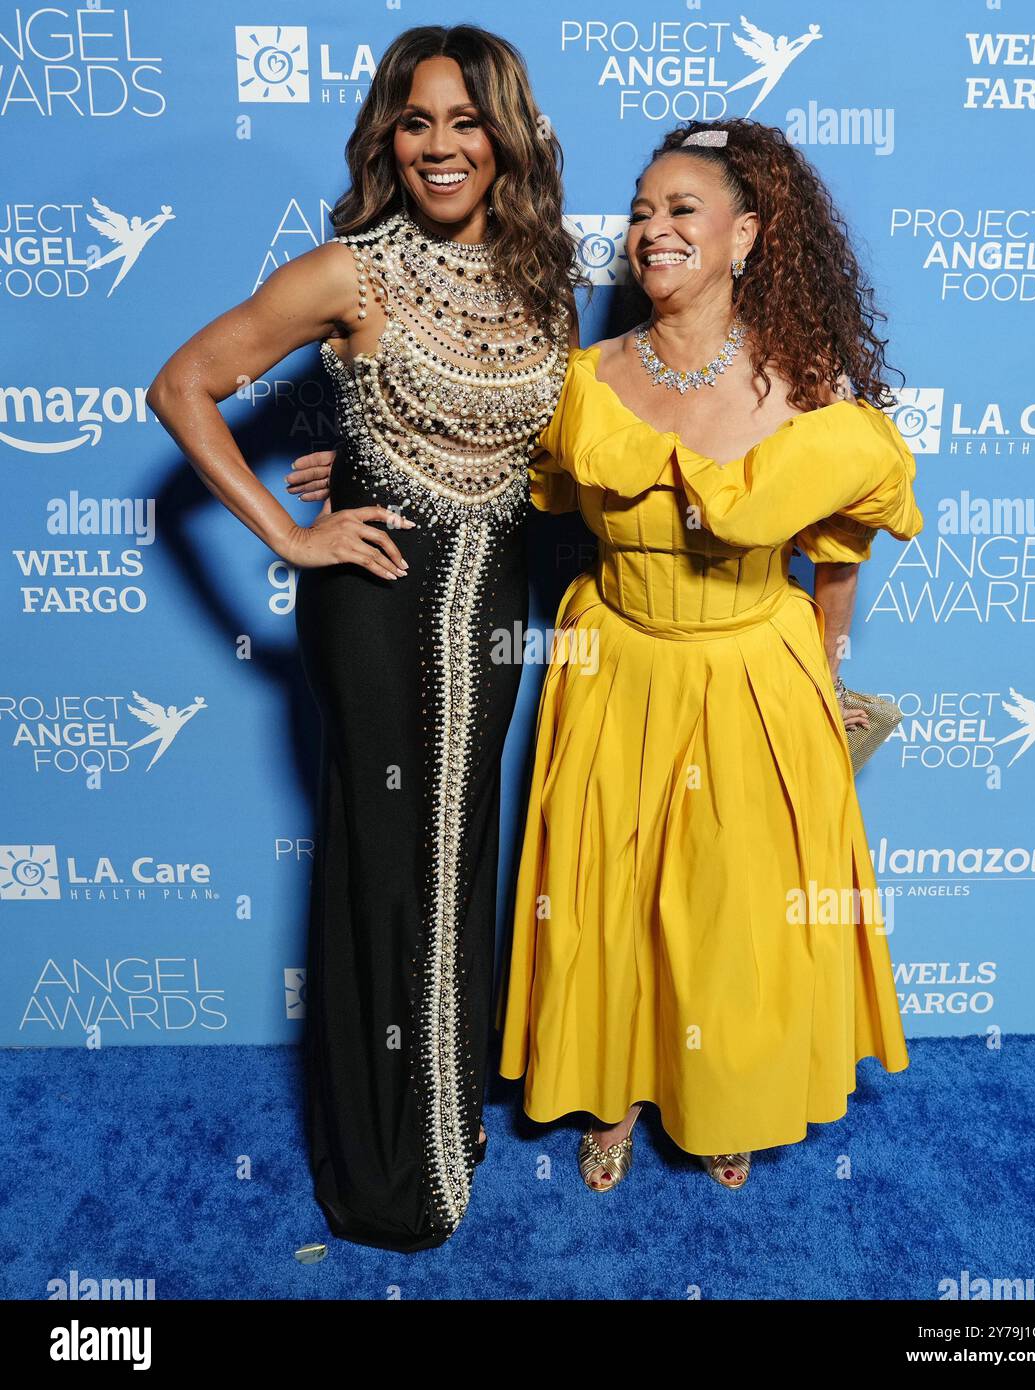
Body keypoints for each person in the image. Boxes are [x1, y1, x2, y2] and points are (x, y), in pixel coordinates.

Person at [147, 24, 579, 1251]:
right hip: (378, 598)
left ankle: (445, 1109)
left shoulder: (541, 273)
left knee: (456, 852)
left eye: (464, 120)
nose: (441, 146)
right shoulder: (350, 270)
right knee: (387, 858)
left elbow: (521, 451)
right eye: (415, 122)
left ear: (506, 135)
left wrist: (372, 437)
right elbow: (184, 383)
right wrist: (291, 538)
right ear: (387, 138)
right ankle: (387, 1166)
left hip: (490, 596)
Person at [496, 119, 925, 1193]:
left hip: (749, 665)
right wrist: (368, 460)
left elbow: (840, 545)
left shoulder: (805, 387)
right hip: (616, 660)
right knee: (609, 894)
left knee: (731, 907)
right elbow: (499, 485)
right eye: (641, 210)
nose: (652, 228)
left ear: (746, 236)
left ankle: (724, 1093)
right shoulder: (581, 379)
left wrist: (820, 676)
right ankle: (615, 1091)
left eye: (682, 209)